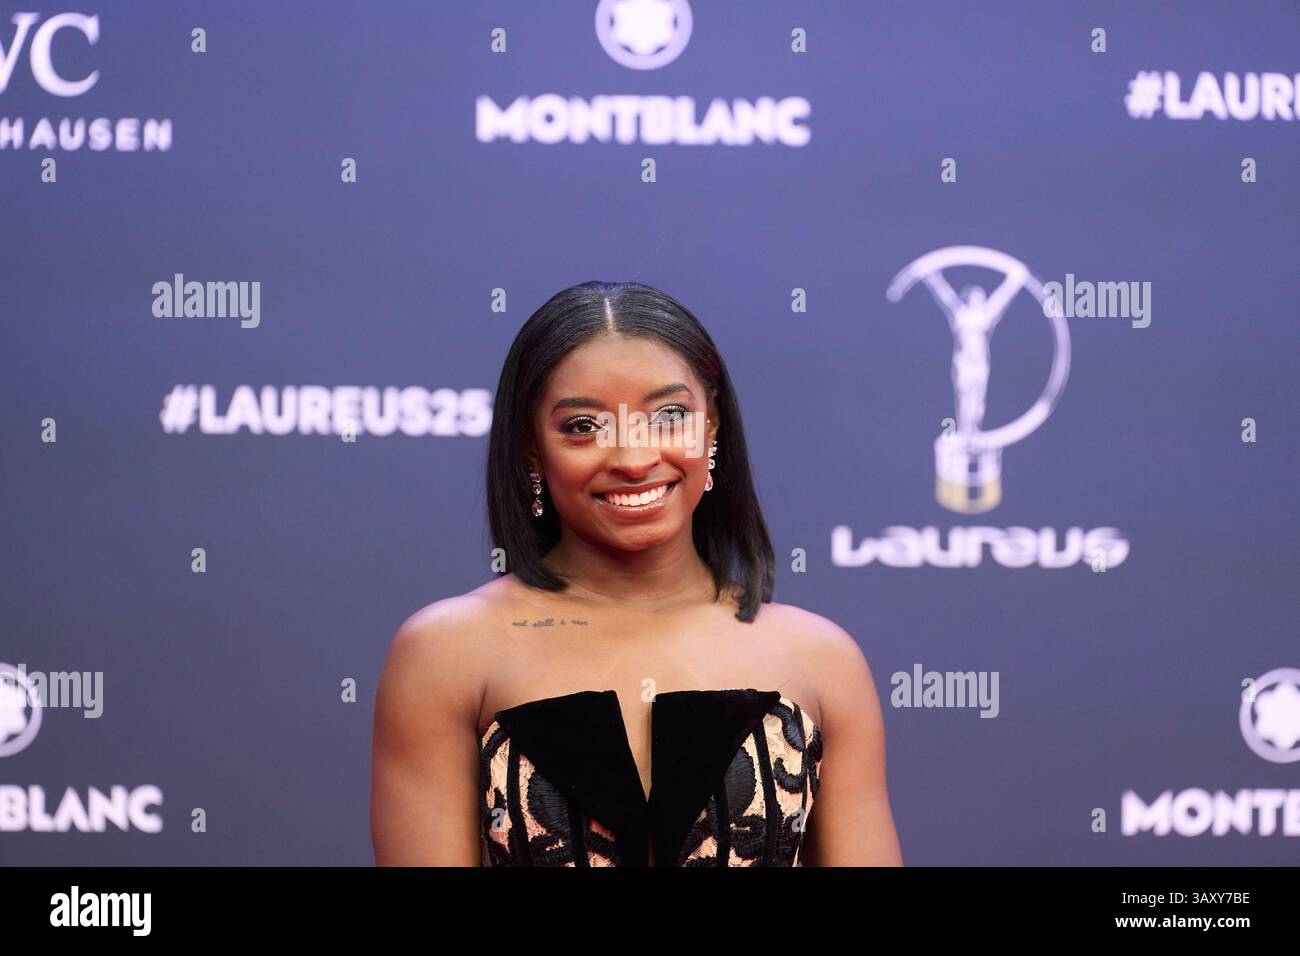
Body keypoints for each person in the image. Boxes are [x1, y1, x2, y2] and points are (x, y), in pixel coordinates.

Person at [370, 280, 902, 866]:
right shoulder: (447, 652)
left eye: (669, 415)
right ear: (530, 449)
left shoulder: (821, 660)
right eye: (583, 426)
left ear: (714, 426)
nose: (633, 458)